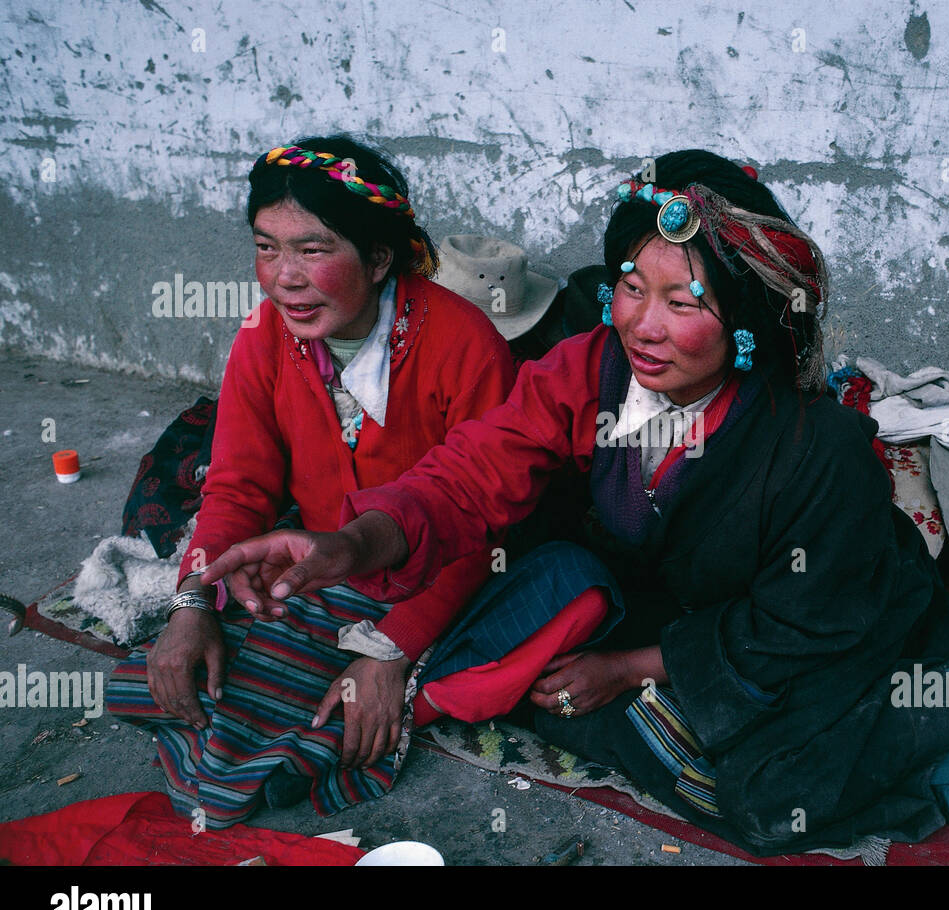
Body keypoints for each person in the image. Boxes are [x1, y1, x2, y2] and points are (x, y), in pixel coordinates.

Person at [204, 150, 949, 853]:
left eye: (684, 300)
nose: (644, 324)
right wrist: (349, 547)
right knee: (526, 669)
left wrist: (633, 666)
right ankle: (905, 746)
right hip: (674, 609)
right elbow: (468, 473)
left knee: (768, 797)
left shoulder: (814, 452)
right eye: (632, 289)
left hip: (816, 628)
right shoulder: (586, 370)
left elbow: (794, 624)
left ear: (746, 320)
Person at [106, 136, 620, 829]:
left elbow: (483, 522)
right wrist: (192, 603)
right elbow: (237, 489)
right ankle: (364, 704)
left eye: (313, 250)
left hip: (448, 575)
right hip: (326, 567)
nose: (284, 276)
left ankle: (405, 695)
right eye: (266, 248)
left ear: (379, 259)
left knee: (573, 588)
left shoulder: (465, 344)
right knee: (194, 665)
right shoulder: (263, 336)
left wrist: (388, 652)